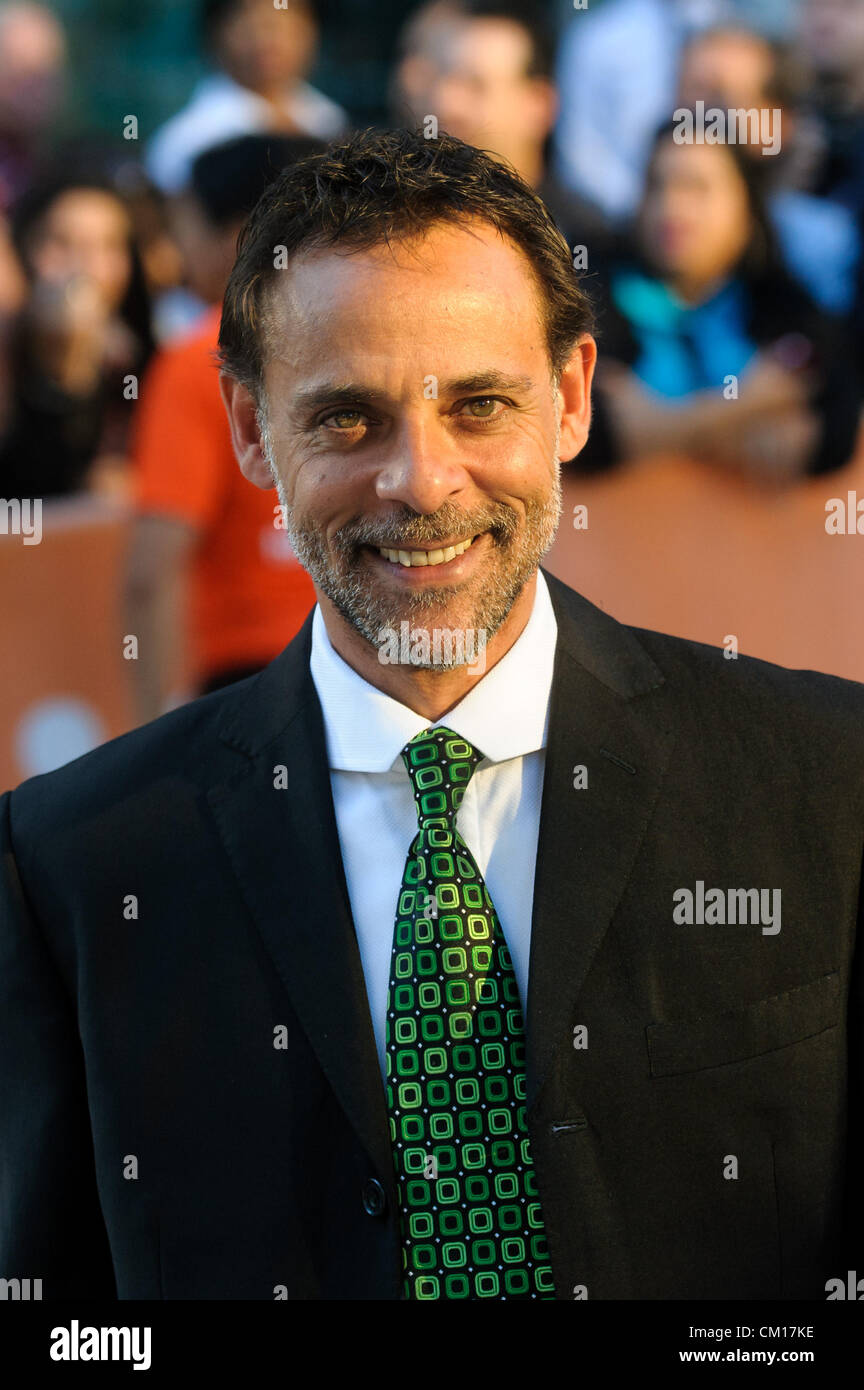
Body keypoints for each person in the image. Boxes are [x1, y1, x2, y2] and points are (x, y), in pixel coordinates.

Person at [1, 127, 862, 1301]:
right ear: (253, 431)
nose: (422, 479)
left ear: (569, 399)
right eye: (347, 416)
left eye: (479, 403)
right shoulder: (76, 865)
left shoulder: (825, 778)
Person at [125, 135, 319, 722]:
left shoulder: (195, 362)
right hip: (378, 662)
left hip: (249, 683)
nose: (171, 250)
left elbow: (150, 572)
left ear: (237, 234)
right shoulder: (368, 343)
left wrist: (156, 737)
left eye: (181, 227)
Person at [575, 118, 862, 481]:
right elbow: (590, 432)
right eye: (657, 185)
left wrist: (654, 431)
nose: (672, 205)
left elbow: (832, 425)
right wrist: (746, 408)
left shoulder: (779, 304)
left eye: (697, 187)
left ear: (746, 205)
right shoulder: (595, 295)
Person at [392, 0, 609, 251]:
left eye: (475, 86)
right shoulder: (388, 217)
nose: (447, 103)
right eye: (442, 78)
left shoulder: (586, 239)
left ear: (539, 105)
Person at [0, 168, 154, 499]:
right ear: (24, 248)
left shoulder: (146, 357)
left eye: (109, 245)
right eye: (62, 243)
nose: (87, 266)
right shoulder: (9, 354)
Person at [146, 0, 348, 197]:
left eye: (284, 21)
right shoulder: (185, 140)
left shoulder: (328, 118)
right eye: (251, 23)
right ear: (215, 32)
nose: (269, 38)